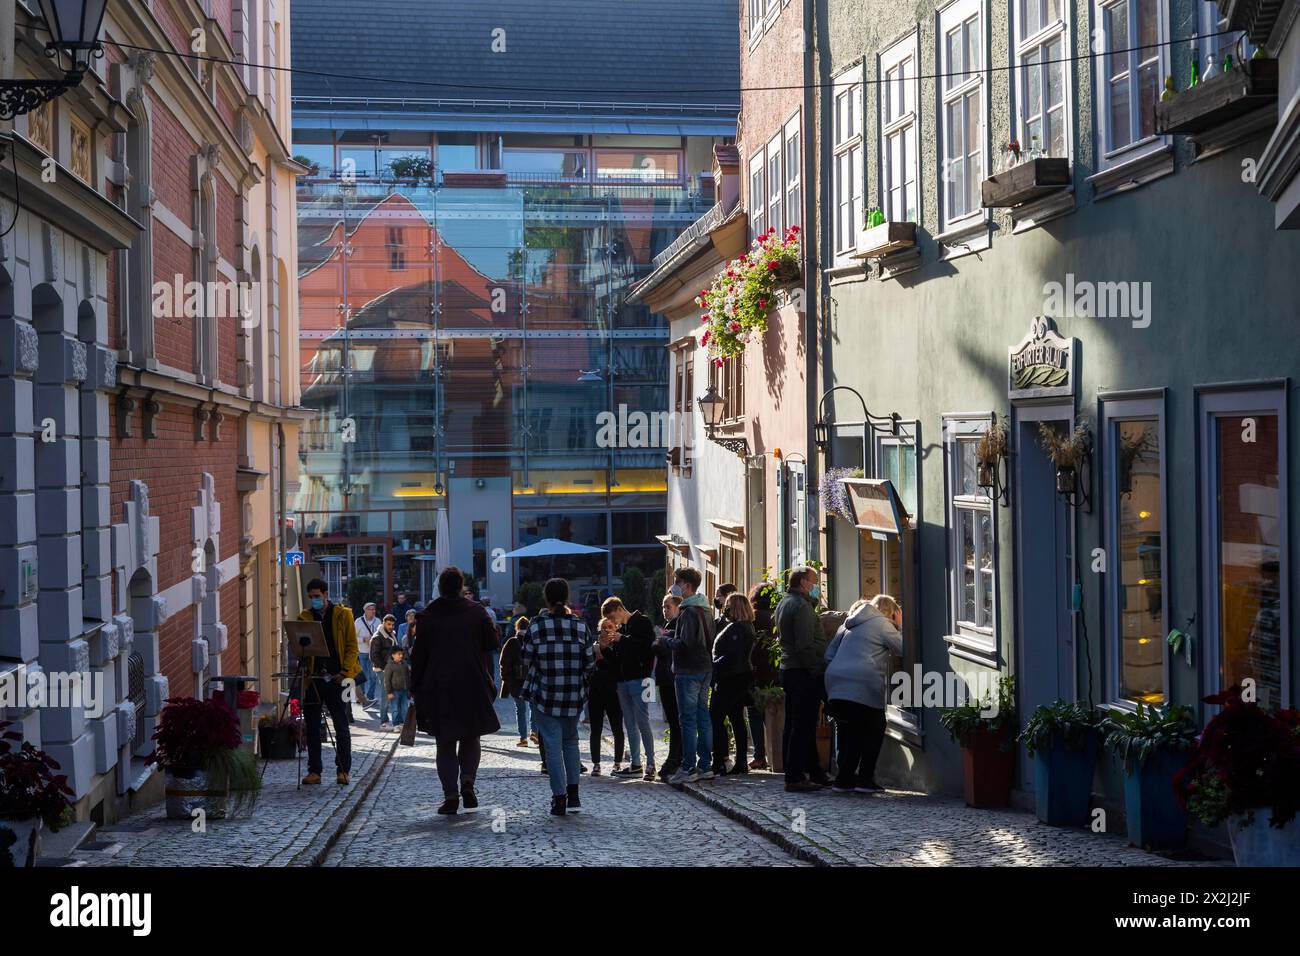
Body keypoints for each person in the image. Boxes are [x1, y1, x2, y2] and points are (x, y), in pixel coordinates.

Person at [410, 566, 501, 816]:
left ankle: (451, 795)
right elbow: (492, 643)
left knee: (445, 743)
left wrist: (414, 687)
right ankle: (468, 781)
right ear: (462, 587)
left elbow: (418, 658)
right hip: (472, 683)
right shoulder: (476, 612)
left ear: (440, 588)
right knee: (471, 737)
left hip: (439, 686)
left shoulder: (428, 616)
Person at [520, 578, 596, 816]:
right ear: (567, 597)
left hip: (545, 695)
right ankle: (574, 794)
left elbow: (525, 659)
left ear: (547, 599)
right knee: (571, 742)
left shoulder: (536, 626)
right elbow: (591, 662)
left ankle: (559, 798)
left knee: (552, 746)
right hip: (573, 695)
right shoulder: (581, 626)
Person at [824, 595, 903, 793]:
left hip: (835, 682)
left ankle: (845, 779)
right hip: (861, 683)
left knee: (850, 731)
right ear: (891, 612)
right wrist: (900, 627)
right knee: (874, 728)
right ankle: (862, 779)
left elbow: (829, 655)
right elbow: (903, 648)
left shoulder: (848, 624)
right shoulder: (882, 624)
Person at [298, 578, 359, 785]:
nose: (314, 600)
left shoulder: (344, 615)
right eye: (311, 597)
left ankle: (343, 770)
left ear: (326, 594)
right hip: (314, 679)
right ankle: (315, 770)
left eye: (317, 596)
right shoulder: (305, 617)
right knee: (312, 726)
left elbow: (352, 647)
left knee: (341, 725)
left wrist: (343, 672)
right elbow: (300, 648)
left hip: (339, 678)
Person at [775, 566, 828, 792]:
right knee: (803, 725)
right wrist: (816, 670)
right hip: (802, 671)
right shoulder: (801, 607)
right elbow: (805, 645)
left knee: (795, 724)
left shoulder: (784, 602)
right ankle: (795, 776)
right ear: (804, 582)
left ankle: (812, 771)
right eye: (814, 582)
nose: (817, 587)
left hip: (790, 669)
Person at [663, 568, 715, 784]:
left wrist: (665, 640)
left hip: (688, 670)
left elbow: (684, 644)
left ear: (686, 585)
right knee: (703, 718)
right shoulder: (706, 609)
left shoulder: (688, 611)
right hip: (705, 668)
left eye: (677, 582)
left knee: (688, 720)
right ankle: (705, 765)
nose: (675, 586)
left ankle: (688, 767)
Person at [601, 596, 657, 781]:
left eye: (612, 618)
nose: (612, 623)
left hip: (641, 679)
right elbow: (617, 660)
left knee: (643, 722)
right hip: (623, 682)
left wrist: (622, 639)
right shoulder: (621, 630)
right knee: (630, 725)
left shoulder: (642, 621)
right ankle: (635, 764)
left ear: (619, 609)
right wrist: (605, 649)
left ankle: (650, 764)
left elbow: (647, 649)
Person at [711, 592, 755, 776]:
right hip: (739, 677)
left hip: (730, 678)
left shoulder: (737, 628)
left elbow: (731, 656)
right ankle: (741, 762)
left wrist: (712, 665)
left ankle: (721, 759)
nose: (725, 608)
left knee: (715, 717)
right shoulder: (746, 627)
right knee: (736, 719)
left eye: (728, 605)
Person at [588, 613, 625, 776]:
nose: (606, 631)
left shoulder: (618, 648)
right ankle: (596, 764)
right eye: (603, 628)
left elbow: (616, 669)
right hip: (595, 692)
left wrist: (601, 656)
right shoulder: (592, 647)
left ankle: (617, 762)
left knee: (617, 728)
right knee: (595, 729)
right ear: (598, 631)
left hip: (613, 693)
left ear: (615, 628)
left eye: (610, 627)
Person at [747, 583, 778, 770]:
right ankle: (777, 754)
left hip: (756, 671)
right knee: (774, 714)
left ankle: (760, 755)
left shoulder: (752, 618)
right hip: (775, 671)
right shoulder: (775, 617)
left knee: (754, 714)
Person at [653, 593, 683, 780]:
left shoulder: (676, 626)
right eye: (663, 607)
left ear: (677, 608)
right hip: (665, 679)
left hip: (671, 679)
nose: (665, 610)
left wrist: (659, 641)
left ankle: (675, 759)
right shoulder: (669, 627)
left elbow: (661, 648)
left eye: (668, 607)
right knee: (673, 721)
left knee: (675, 721)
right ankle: (674, 758)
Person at [499, 616, 531, 747]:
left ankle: (523, 738)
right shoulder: (532, 641)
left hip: (516, 682)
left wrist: (506, 679)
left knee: (520, 709)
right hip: (531, 679)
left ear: (517, 627)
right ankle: (535, 732)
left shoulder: (511, 642)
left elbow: (503, 662)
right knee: (534, 708)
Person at [371, 614, 399, 727]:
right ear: (383, 623)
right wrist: (384, 668)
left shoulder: (391, 634)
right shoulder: (378, 636)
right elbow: (373, 656)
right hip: (383, 669)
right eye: (388, 624)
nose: (391, 626)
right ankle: (384, 721)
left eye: (392, 624)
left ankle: (391, 719)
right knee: (385, 695)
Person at [354, 602, 380, 707]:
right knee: (363, 676)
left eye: (374, 609)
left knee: (373, 676)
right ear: (365, 610)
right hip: (362, 652)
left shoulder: (378, 621)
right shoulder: (358, 621)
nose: (373, 611)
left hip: (373, 653)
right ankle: (362, 698)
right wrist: (363, 639)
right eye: (370, 609)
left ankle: (370, 697)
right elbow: (353, 638)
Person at [384, 645, 411, 728]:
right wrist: (389, 692)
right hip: (394, 691)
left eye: (402, 654)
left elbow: (408, 677)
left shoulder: (404, 664)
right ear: (393, 655)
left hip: (404, 690)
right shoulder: (389, 666)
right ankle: (395, 724)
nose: (401, 656)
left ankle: (404, 723)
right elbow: (387, 680)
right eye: (399, 654)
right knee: (395, 709)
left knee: (404, 708)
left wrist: (409, 689)